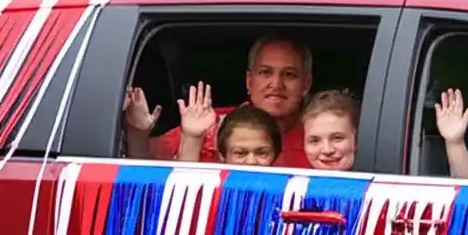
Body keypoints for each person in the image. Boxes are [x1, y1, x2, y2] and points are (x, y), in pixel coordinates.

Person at [122, 33, 312, 167]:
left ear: (306, 85)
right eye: (265, 72)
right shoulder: (208, 122)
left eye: (289, 74)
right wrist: (137, 132)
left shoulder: (322, 137)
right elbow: (145, 166)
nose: (276, 83)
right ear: (249, 81)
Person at [174, 82, 282, 166]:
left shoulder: (289, 191)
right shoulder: (213, 188)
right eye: (240, 153)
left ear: (275, 155)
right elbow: (186, 186)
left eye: (262, 153)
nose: (251, 161)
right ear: (222, 156)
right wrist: (192, 137)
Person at [301, 89, 359, 171]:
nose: (327, 150)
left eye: (337, 138)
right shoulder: (295, 182)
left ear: (357, 139)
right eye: (315, 141)